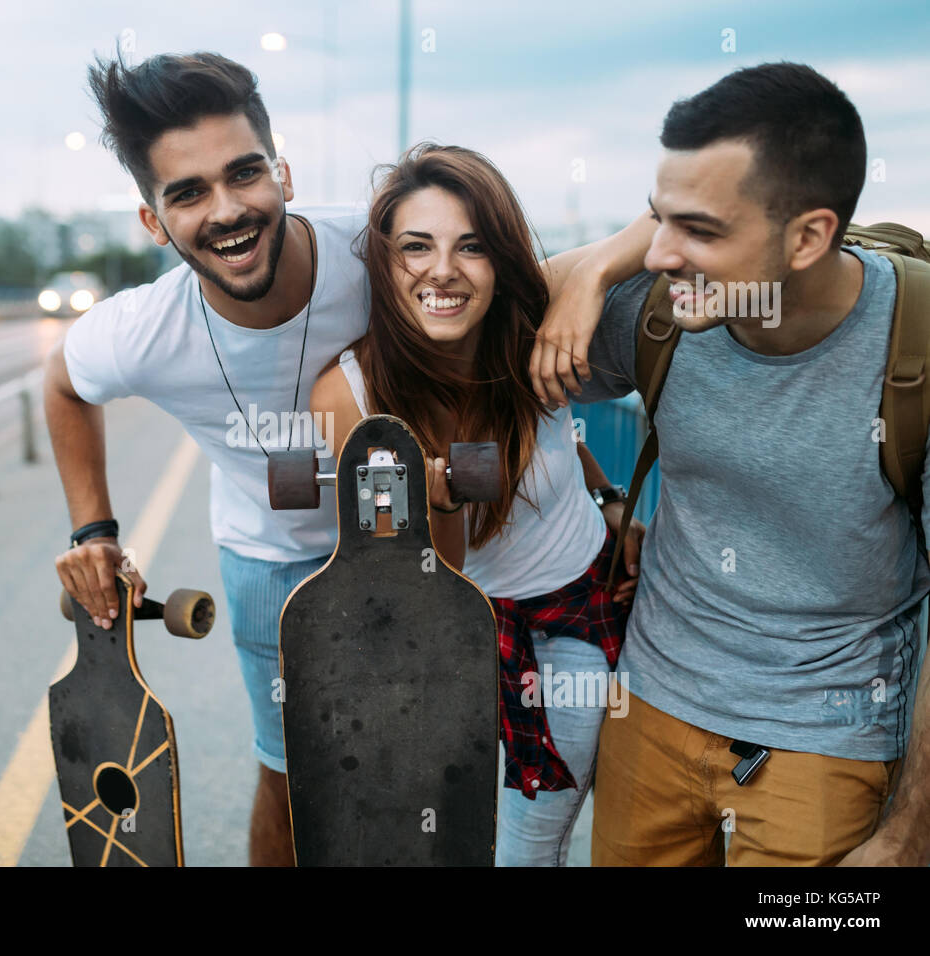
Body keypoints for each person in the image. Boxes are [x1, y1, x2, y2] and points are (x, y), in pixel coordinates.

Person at [48, 49, 655, 866]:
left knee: (423, 779)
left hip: (429, 551)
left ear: (284, 174)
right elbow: (63, 384)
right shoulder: (144, 331)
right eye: (188, 193)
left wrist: (588, 290)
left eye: (244, 174)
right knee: (295, 778)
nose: (227, 210)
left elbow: (507, 330)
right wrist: (95, 530)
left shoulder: (381, 250)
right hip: (273, 557)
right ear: (154, 222)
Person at [531, 62, 930, 866]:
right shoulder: (658, 308)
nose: (665, 254)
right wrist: (597, 269)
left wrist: (909, 833)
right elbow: (471, 332)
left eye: (701, 229)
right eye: (657, 219)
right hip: (652, 705)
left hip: (830, 736)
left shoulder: (913, 347)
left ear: (811, 235)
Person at [309, 143, 651, 865]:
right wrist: (437, 508)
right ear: (383, 262)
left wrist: (591, 280)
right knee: (442, 838)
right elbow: (429, 577)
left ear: (500, 260)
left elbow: (665, 220)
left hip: (575, 605)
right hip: (449, 631)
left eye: (472, 247)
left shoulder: (531, 319)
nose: (443, 271)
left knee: (535, 845)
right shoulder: (351, 400)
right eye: (416, 247)